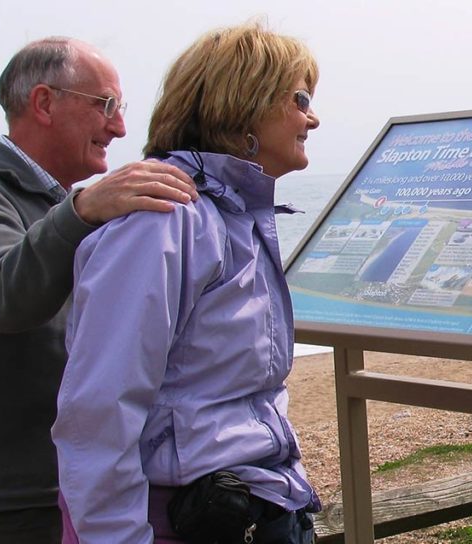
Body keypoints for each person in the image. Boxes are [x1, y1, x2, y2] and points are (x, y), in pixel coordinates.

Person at [53, 22, 322, 543]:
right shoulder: (167, 219)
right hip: (186, 519)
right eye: (300, 96)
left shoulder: (234, 216)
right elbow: (99, 408)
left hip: (258, 502)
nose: (312, 117)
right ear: (245, 100)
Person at [0, 37, 198, 543]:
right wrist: (80, 212)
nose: (118, 127)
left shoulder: (65, 203)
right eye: (106, 106)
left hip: (72, 488)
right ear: (45, 103)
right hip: (9, 505)